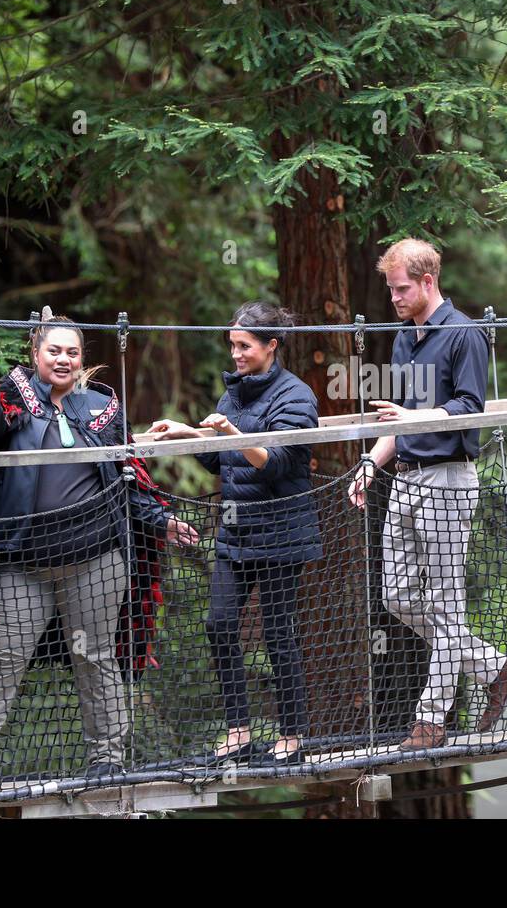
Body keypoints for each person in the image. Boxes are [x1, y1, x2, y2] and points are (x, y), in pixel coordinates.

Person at [0, 309, 199, 786]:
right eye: (53, 351)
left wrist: (163, 523)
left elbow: (129, 482)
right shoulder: (12, 400)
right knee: (3, 655)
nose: (63, 359)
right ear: (35, 354)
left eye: (72, 353)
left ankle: (108, 759)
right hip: (24, 563)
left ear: (82, 360)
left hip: (95, 559)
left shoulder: (101, 410)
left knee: (95, 655)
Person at [349, 239, 507, 750]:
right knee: (397, 596)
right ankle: (496, 667)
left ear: (428, 282)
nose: (394, 298)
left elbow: (470, 407)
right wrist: (369, 463)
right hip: (403, 477)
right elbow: (397, 420)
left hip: (448, 479)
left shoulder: (465, 334)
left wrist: (414, 419)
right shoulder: (406, 339)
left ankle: (430, 722)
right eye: (390, 289)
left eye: (401, 289)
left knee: (447, 610)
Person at [150, 302, 322, 766]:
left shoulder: (297, 397)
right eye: (233, 344)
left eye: (244, 345)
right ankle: (239, 731)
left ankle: (292, 736)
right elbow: (218, 460)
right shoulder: (233, 396)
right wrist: (187, 434)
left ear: (271, 346)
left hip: (282, 533)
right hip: (235, 534)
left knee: (277, 634)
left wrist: (231, 431)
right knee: (219, 624)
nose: (236, 354)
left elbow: (278, 464)